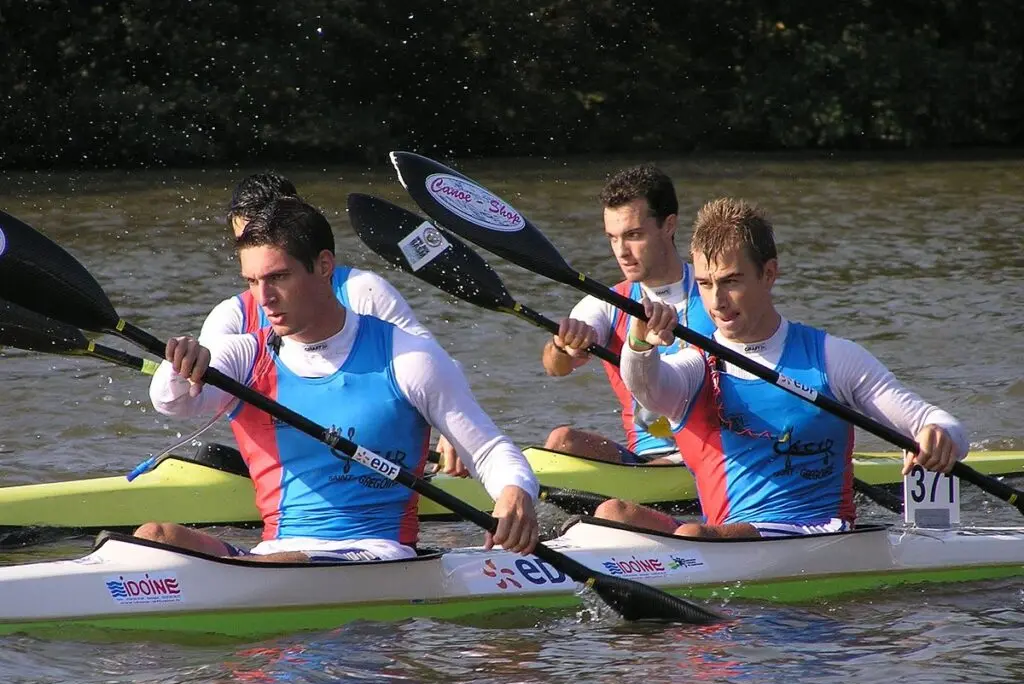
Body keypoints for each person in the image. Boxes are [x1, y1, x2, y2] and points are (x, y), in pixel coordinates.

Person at [136, 197, 539, 561]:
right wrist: (181, 363)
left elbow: (488, 450)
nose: (264, 298)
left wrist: (514, 493)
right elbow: (171, 402)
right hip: (274, 552)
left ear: (324, 266)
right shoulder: (246, 355)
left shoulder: (406, 356)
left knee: (280, 566)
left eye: (278, 277)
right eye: (251, 282)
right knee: (152, 536)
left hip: (377, 551)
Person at [595, 197, 967, 538]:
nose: (717, 302)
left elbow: (939, 423)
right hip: (724, 538)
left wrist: (938, 435)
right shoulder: (696, 366)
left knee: (692, 537)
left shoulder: (833, 358)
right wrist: (639, 343)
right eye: (706, 285)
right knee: (613, 512)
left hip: (819, 535)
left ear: (769, 274)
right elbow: (649, 390)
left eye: (732, 282)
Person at [201, 172, 468, 476]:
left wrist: (452, 431)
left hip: (368, 465)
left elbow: (435, 363)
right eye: (246, 241)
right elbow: (191, 398)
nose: (258, 251)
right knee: (208, 457)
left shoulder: (361, 290)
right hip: (281, 468)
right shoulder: (230, 315)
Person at [541, 165, 716, 464]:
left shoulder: (716, 293)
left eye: (633, 235)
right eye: (613, 238)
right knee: (561, 442)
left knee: (614, 511)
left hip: (717, 452)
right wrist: (564, 345)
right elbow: (556, 367)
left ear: (668, 225)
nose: (621, 251)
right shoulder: (607, 303)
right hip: (649, 460)